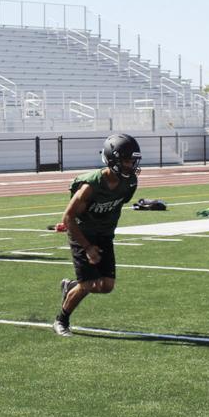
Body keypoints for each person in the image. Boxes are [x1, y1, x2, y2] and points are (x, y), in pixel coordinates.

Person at [53, 134, 141, 337]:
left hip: (104, 235)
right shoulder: (91, 185)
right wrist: (87, 247)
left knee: (107, 286)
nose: (131, 165)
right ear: (113, 160)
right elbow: (68, 218)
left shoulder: (130, 183)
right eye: (127, 160)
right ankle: (61, 319)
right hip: (82, 234)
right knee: (88, 285)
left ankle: (70, 286)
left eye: (133, 160)